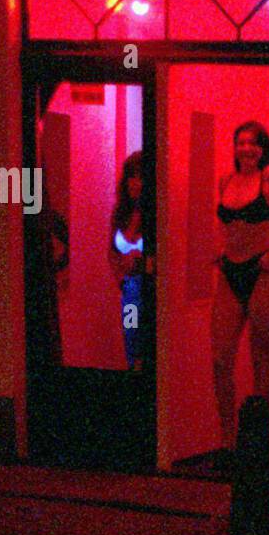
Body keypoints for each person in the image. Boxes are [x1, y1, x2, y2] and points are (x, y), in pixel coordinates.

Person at [210, 121, 269, 455]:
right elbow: (226, 224)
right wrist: (220, 250)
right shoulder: (226, 180)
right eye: (240, 142)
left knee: (261, 357)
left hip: (261, 273)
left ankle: (259, 440)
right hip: (229, 273)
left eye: (253, 143)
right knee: (221, 358)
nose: (246, 148)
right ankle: (228, 439)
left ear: (263, 148)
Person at [107, 151, 147, 371]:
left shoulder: (155, 215)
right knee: (131, 342)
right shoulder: (120, 212)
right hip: (129, 292)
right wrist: (121, 279)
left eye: (141, 176)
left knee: (149, 344)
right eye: (132, 176)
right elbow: (111, 252)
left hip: (149, 290)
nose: (136, 183)